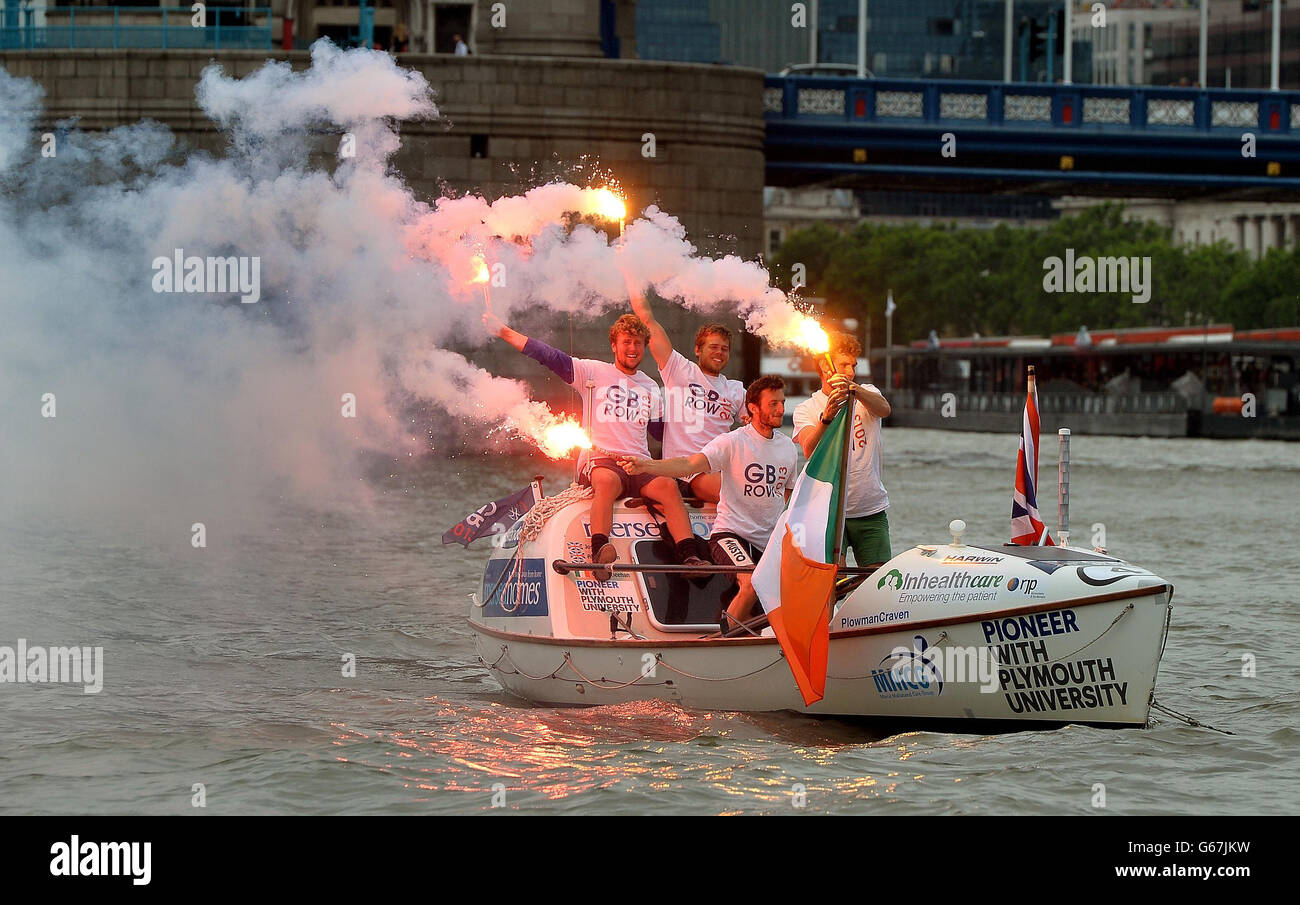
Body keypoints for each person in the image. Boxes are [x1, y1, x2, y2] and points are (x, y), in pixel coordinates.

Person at [484, 311, 705, 580]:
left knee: (668, 486)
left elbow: (663, 434)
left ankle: (689, 557)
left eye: (637, 343)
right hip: (600, 460)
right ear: (614, 345)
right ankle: (600, 552)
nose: (632, 348)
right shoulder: (592, 371)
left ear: (644, 347)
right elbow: (548, 356)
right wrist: (505, 332)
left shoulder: (650, 387)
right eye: (626, 342)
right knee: (607, 482)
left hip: (638, 462)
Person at [619, 375, 797, 631]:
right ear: (753, 407)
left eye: (782, 402)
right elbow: (688, 465)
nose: (781, 409)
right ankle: (722, 643)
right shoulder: (733, 442)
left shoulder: (788, 449)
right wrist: (646, 465)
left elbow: (789, 498)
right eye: (773, 404)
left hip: (768, 541)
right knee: (750, 583)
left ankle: (751, 638)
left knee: (796, 589)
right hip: (730, 535)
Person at [627, 282, 744, 502]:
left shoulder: (736, 389)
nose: (719, 353)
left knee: (760, 486)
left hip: (719, 469)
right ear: (698, 350)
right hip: (684, 472)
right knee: (740, 492)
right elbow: (647, 319)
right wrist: (630, 272)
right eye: (713, 347)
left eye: (724, 349)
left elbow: (761, 422)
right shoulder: (680, 370)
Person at [792, 333, 892, 567]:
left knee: (877, 579)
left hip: (869, 507)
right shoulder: (806, 409)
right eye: (844, 364)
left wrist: (854, 391)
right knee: (835, 577)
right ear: (825, 367)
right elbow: (808, 450)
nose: (850, 371)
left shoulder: (866, 391)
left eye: (853, 365)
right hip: (829, 508)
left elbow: (885, 409)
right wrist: (826, 418)